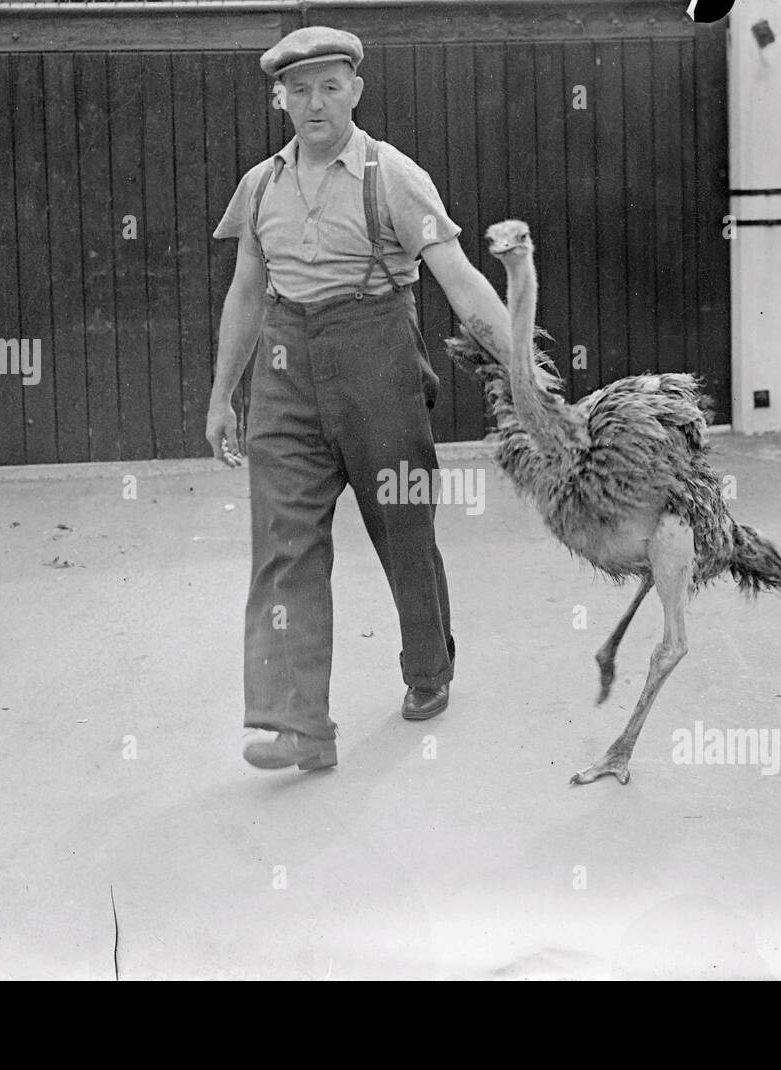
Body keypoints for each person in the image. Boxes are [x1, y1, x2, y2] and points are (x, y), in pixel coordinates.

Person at [206, 26, 516, 772]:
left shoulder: (395, 178)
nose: (315, 103)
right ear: (280, 98)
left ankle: (427, 668)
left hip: (376, 358)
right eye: (299, 89)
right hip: (284, 370)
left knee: (404, 526)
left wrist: (521, 366)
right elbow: (247, 292)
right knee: (283, 544)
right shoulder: (261, 187)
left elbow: (460, 278)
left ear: (356, 89)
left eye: (330, 86)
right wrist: (223, 395)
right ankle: (296, 722)